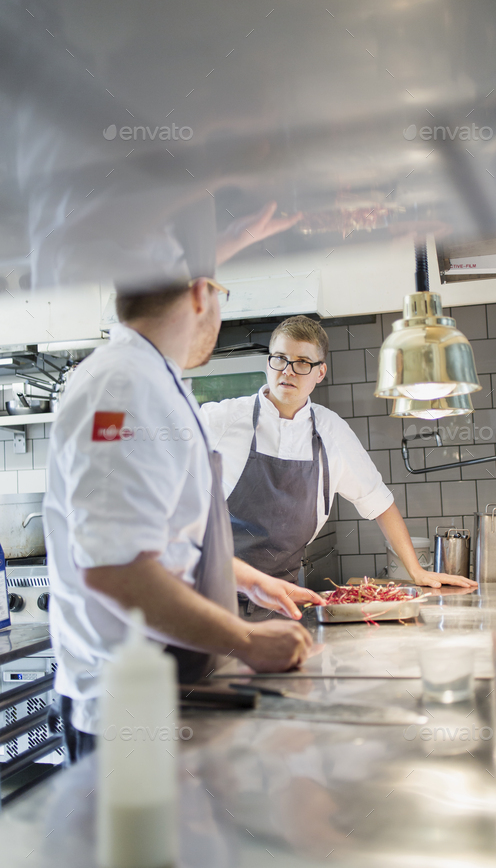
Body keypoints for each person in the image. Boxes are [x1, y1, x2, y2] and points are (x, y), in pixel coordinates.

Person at [44, 278, 323, 763]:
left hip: (174, 689)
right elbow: (118, 570)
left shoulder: (156, 383)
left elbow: (161, 538)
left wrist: (249, 580)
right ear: (201, 295)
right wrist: (247, 639)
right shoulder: (122, 386)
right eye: (223, 295)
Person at [200, 315, 475, 590]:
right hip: (214, 593)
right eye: (280, 358)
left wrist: (416, 571)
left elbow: (380, 501)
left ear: (320, 372)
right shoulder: (221, 419)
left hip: (284, 598)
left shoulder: (332, 431)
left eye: (302, 363)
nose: (288, 371)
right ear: (268, 362)